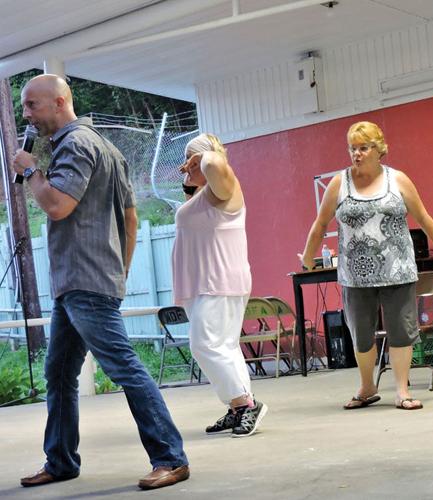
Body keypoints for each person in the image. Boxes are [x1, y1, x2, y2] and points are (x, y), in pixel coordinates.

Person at [12, 74, 189, 489]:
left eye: (31, 105)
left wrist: (33, 169)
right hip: (85, 280)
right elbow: (130, 217)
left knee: (124, 367)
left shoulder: (75, 144)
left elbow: (56, 206)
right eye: (23, 107)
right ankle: (60, 460)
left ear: (58, 102)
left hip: (84, 280)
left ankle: (170, 457)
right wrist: (121, 271)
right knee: (58, 373)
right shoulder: (107, 148)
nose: (26, 115)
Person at [299, 121, 433, 410]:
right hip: (356, 274)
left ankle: (403, 390)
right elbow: (320, 224)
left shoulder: (398, 180)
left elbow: (423, 216)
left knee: (401, 330)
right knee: (361, 331)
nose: (357, 154)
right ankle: (367, 387)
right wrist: (308, 256)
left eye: (363, 148)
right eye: (352, 148)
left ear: (378, 149)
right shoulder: (338, 183)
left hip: (397, 268)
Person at [174, 133, 265, 436]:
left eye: (192, 160)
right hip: (201, 281)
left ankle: (247, 405)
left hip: (220, 278)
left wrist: (204, 157)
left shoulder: (228, 185)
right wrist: (190, 178)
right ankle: (238, 407)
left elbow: (215, 161)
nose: (187, 167)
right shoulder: (204, 193)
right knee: (224, 346)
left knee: (205, 344)